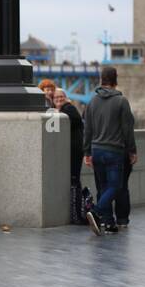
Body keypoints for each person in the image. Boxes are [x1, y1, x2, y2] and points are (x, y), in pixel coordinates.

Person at [82, 66, 137, 235]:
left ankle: (108, 223)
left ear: (101, 79)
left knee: (102, 187)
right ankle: (97, 212)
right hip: (114, 151)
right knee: (115, 185)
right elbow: (127, 129)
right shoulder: (121, 101)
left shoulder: (91, 102)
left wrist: (87, 152)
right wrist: (132, 150)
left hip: (96, 150)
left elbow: (88, 130)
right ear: (115, 80)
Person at [52, 89, 88, 225]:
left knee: (74, 181)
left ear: (66, 98)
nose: (59, 99)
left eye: (61, 96)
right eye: (56, 97)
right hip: (71, 152)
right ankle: (76, 212)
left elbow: (73, 120)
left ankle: (76, 212)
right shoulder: (65, 109)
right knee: (74, 181)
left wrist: (57, 112)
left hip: (74, 152)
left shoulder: (69, 109)